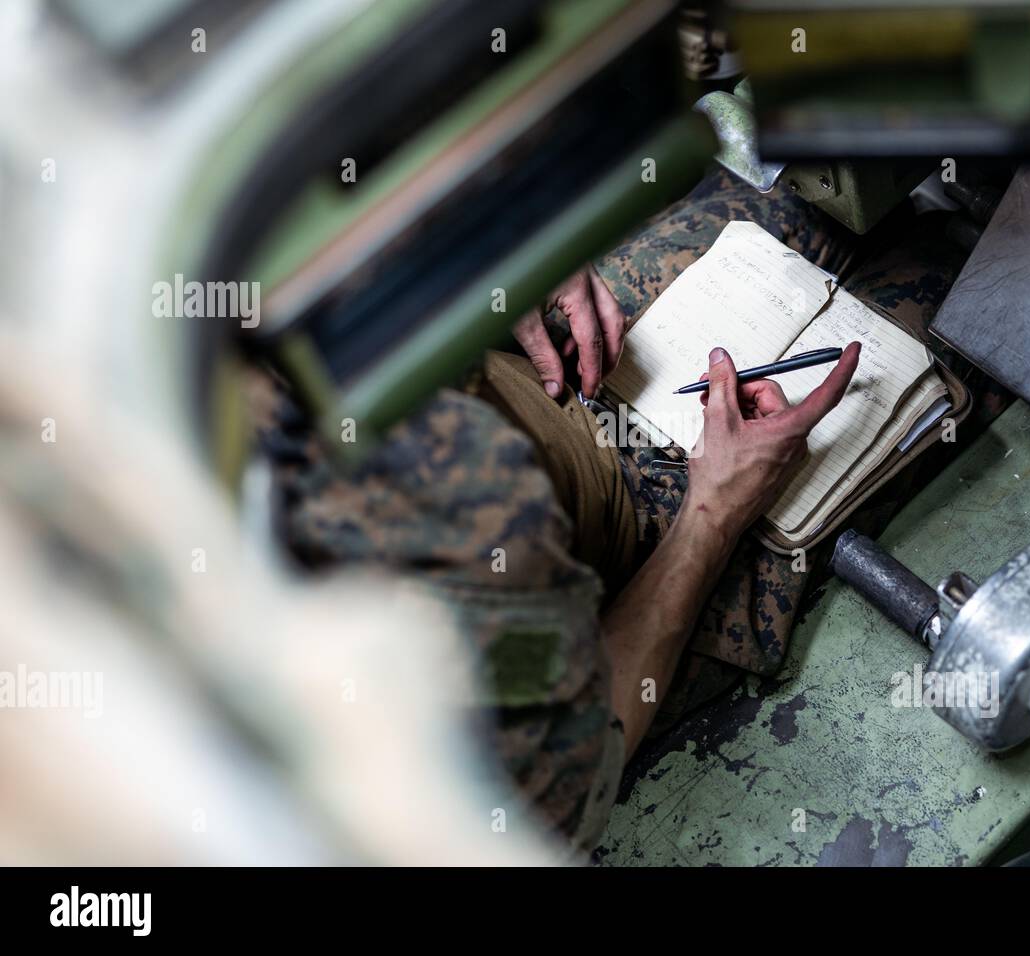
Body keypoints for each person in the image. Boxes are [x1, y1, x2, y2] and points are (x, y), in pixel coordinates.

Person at [252, 168, 966, 852]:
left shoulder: (195, 373)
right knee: (956, 298)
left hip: (564, 371)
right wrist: (715, 513)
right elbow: (592, 737)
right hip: (648, 553)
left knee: (817, 203)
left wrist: (487, 271)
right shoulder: (411, 693)